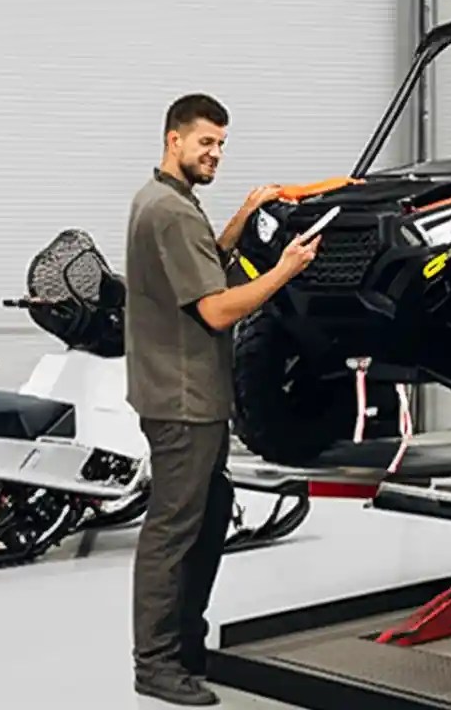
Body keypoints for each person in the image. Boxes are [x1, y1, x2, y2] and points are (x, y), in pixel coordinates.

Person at [126, 93, 320, 706]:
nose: (215, 154)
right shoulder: (173, 213)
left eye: (222, 145)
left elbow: (207, 260)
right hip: (184, 400)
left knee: (209, 515)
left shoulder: (164, 200)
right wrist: (285, 269)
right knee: (174, 530)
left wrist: (244, 213)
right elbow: (215, 308)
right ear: (173, 139)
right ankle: (156, 664)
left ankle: (184, 645)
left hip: (181, 394)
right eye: (206, 142)